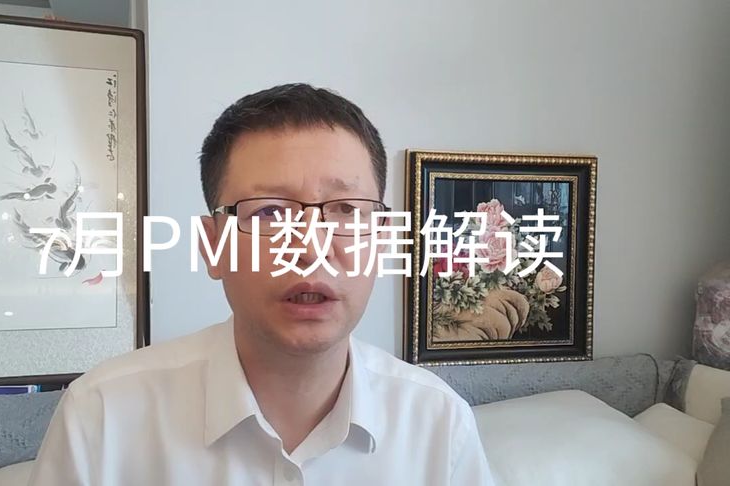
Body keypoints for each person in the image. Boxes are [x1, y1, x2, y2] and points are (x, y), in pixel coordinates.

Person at [28, 83, 495, 485]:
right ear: (212, 246)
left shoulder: (439, 426)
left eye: (346, 210)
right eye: (270, 212)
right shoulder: (102, 418)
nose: (310, 247)